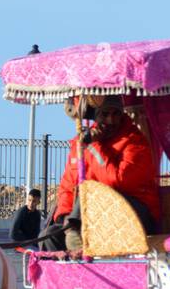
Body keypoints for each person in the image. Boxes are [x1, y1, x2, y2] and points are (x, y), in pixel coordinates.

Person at [49, 96, 159, 252]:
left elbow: (117, 180)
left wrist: (94, 146)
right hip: (92, 216)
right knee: (51, 235)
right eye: (105, 114)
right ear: (96, 116)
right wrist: (64, 217)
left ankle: (77, 237)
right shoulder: (79, 144)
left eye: (116, 114)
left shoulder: (134, 142)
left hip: (135, 213)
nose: (111, 120)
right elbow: (67, 187)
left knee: (90, 194)